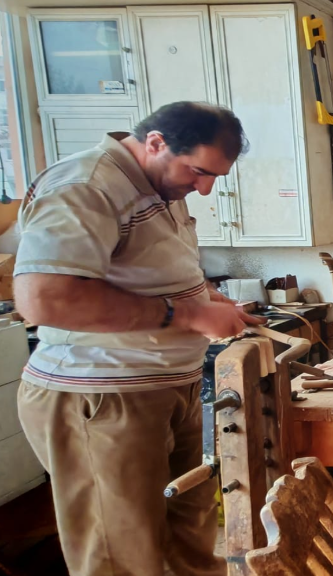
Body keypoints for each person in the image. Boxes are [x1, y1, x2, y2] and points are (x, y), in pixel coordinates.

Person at [15, 102, 263, 576]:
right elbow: (45, 299)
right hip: (103, 396)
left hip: (165, 387)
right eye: (199, 172)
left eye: (215, 177)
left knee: (188, 536)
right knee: (121, 554)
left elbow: (155, 273)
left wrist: (209, 301)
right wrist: (188, 315)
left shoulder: (158, 185)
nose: (205, 188)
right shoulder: (87, 187)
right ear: (155, 143)